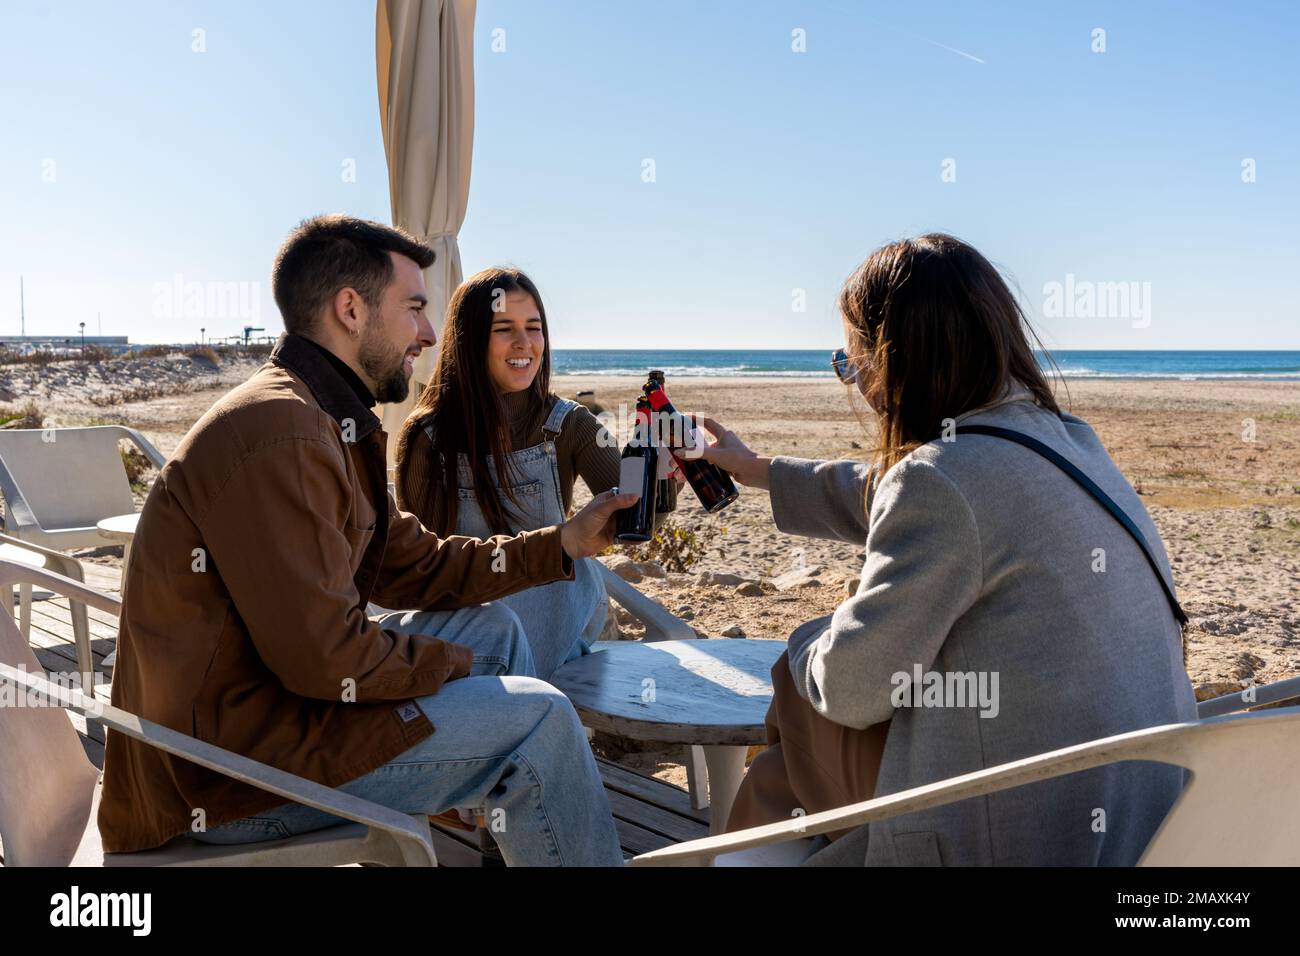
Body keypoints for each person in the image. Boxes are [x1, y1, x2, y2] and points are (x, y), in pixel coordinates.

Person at [97, 215, 637, 866]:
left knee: (494, 633)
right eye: (413, 308)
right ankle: (532, 811)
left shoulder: (318, 418)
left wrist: (562, 544)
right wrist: (452, 668)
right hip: (226, 779)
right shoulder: (283, 434)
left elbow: (417, 565)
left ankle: (517, 840)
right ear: (350, 310)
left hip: (266, 718)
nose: (429, 333)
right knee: (541, 720)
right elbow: (328, 659)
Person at [699, 233, 1196, 866]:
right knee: (786, 772)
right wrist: (758, 468)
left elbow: (853, 688)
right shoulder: (1067, 442)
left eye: (849, 361)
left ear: (894, 358)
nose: (855, 383)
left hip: (1030, 827)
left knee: (798, 695)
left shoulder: (939, 478)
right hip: (1148, 805)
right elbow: (890, 491)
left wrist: (802, 647)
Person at [394, 267, 675, 679]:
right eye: (504, 328)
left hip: (554, 610)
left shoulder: (570, 425)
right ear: (470, 339)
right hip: (474, 622)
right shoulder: (428, 438)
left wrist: (663, 482)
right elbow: (420, 571)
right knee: (504, 617)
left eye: (534, 328)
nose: (525, 343)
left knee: (573, 577)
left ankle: (517, 699)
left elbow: (633, 524)